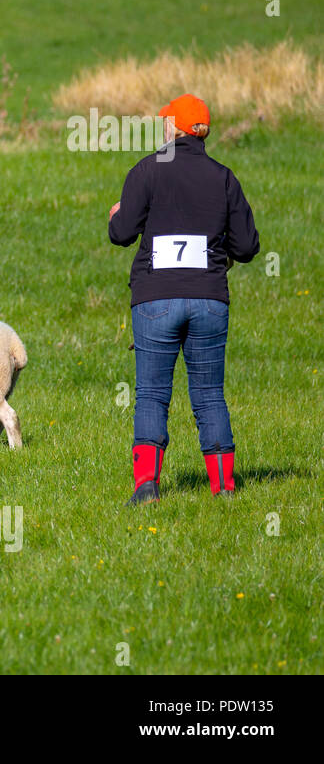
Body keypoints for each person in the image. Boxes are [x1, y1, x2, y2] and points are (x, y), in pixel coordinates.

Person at [109, 94, 259, 506]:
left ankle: (146, 487)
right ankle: (225, 489)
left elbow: (122, 234)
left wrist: (115, 215)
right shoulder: (224, 178)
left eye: (164, 123)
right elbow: (247, 246)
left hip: (155, 299)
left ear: (174, 128)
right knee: (210, 394)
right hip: (210, 299)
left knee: (152, 394)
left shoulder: (146, 171)